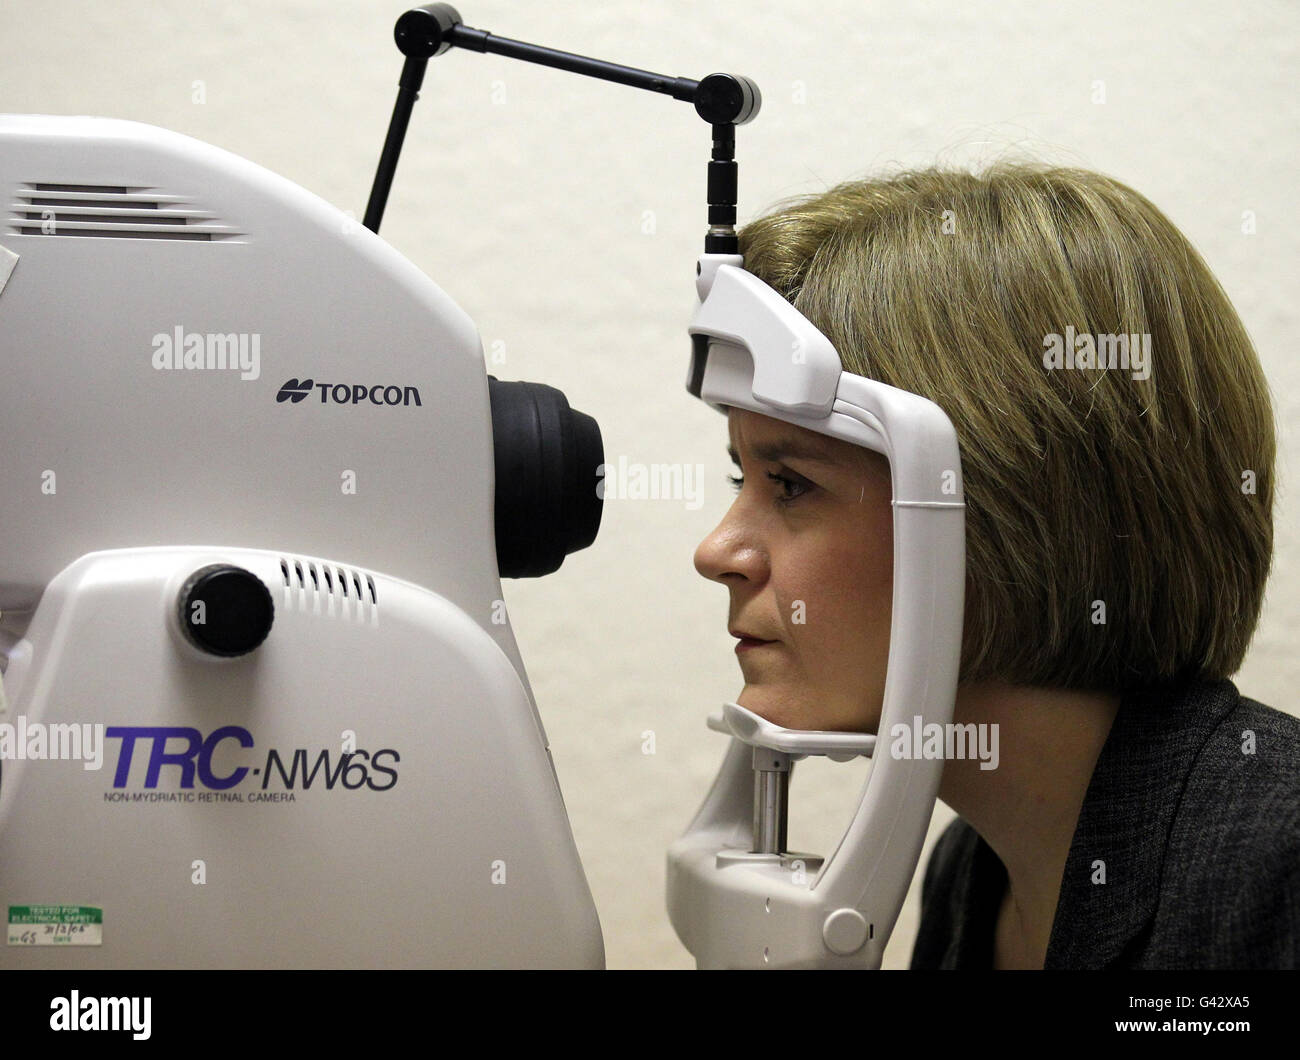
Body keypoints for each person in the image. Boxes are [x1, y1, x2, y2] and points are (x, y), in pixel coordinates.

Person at [692, 162, 1299, 969]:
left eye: (792, 484)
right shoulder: (968, 873)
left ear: (1016, 506)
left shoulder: (1277, 866)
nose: (717, 554)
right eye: (744, 477)